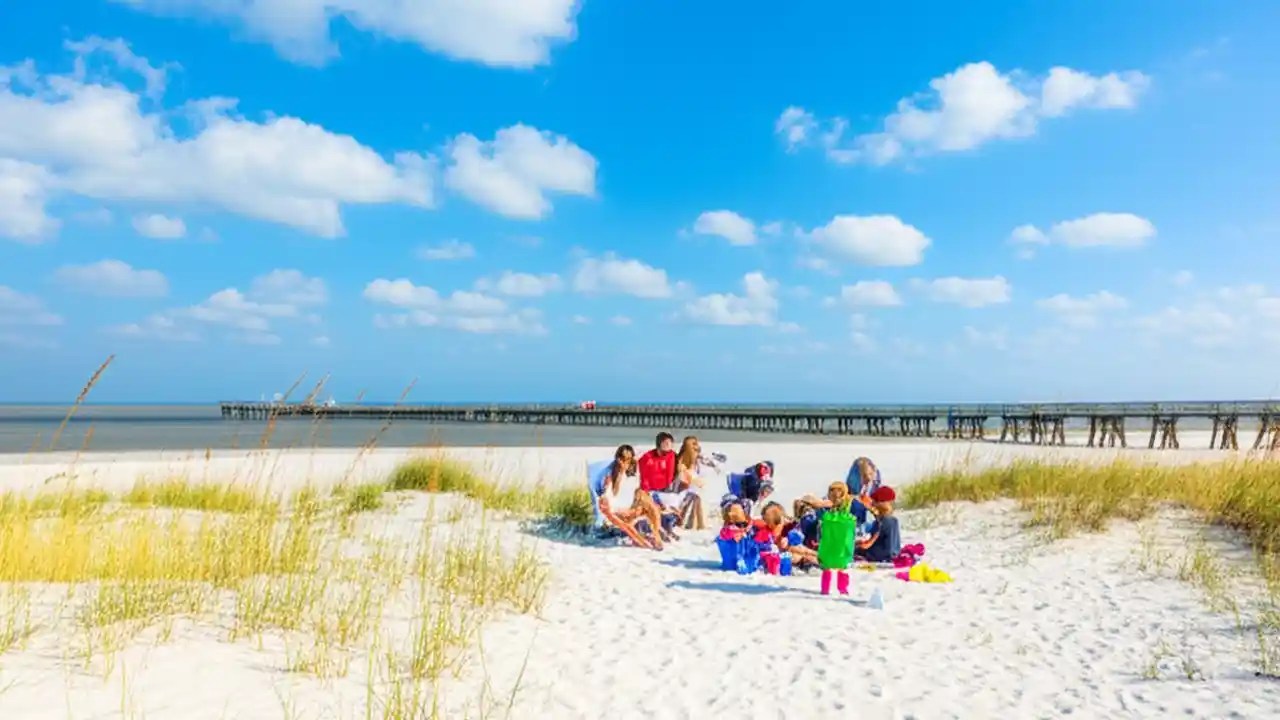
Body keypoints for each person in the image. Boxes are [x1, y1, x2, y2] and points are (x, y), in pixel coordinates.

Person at [595, 444, 666, 550]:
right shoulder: (608, 476)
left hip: (631, 509)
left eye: (628, 460)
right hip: (617, 515)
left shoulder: (633, 471)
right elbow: (610, 499)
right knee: (642, 500)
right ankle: (646, 539)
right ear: (618, 459)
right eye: (623, 459)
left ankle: (656, 535)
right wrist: (620, 474)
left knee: (646, 498)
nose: (625, 462)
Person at [816, 482, 856, 595]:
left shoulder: (826, 511)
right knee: (842, 568)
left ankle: (825, 589)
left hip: (828, 547)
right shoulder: (850, 509)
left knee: (827, 568)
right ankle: (842, 589)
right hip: (843, 548)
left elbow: (820, 529)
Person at [857, 486, 902, 563]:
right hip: (895, 552)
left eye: (874, 502)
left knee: (856, 550)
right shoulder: (893, 520)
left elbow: (873, 540)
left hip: (881, 554)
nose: (872, 504)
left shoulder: (883, 522)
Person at [673, 436, 707, 529]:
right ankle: (695, 524)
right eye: (692, 445)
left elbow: (701, 481)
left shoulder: (698, 461)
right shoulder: (680, 463)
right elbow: (684, 480)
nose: (695, 447)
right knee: (695, 495)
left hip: (693, 492)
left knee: (697, 494)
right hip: (680, 493)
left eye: (696, 444)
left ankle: (698, 523)